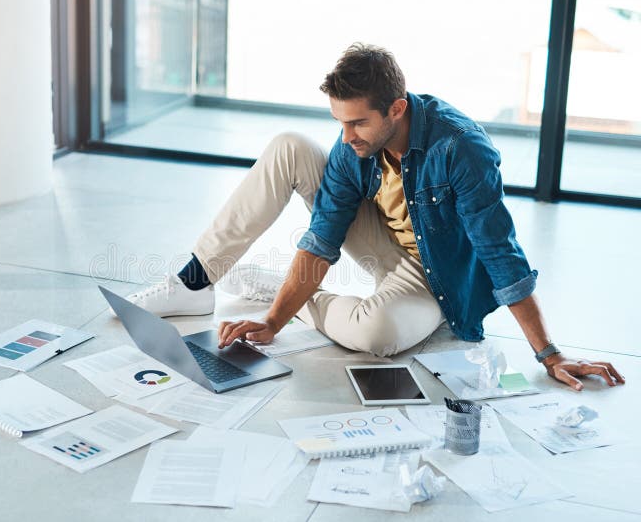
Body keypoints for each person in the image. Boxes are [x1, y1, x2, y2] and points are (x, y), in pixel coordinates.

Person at [126, 42, 624, 392]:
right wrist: (271, 324)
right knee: (289, 148)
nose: (347, 137)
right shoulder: (354, 145)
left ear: (397, 108)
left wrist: (549, 354)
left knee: (377, 336)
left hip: (436, 274)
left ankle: (295, 295)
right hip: (380, 238)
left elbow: (501, 254)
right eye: (339, 122)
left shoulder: (461, 150)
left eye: (359, 122)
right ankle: (195, 281)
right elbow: (323, 237)